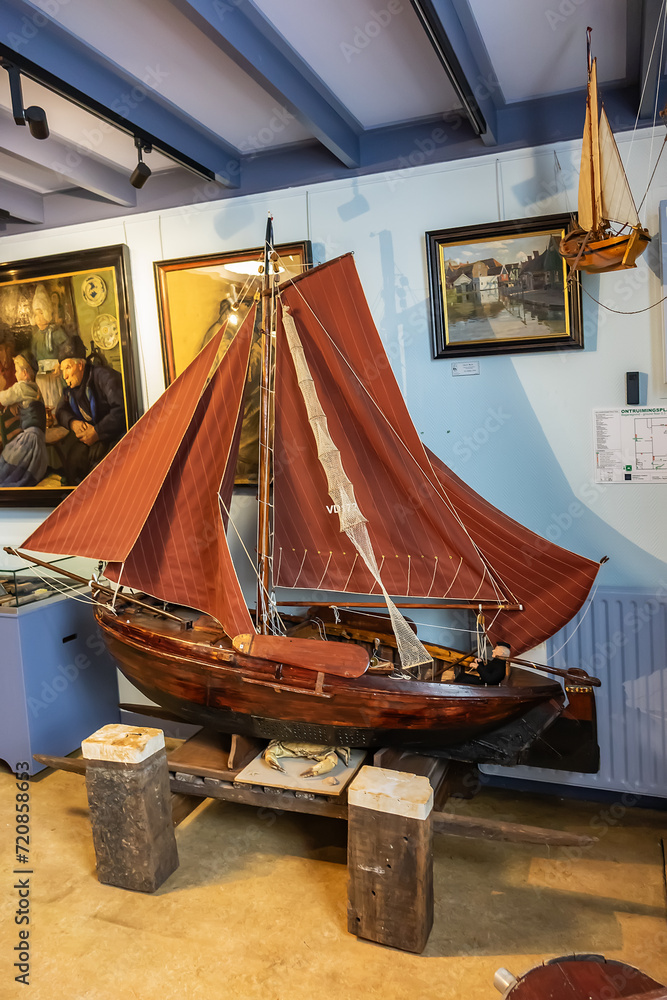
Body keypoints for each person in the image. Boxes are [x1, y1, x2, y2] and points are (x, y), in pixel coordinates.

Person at [55, 337, 126, 484]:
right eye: (63, 370)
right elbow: (60, 410)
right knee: (73, 461)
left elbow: (122, 409)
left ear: (80, 365)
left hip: (115, 436)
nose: (65, 375)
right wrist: (73, 422)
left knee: (99, 473)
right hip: (92, 437)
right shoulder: (71, 387)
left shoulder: (105, 377)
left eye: (68, 368)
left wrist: (97, 432)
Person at [0, 351, 48, 487]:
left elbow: (3, 398)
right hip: (38, 442)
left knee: (7, 469)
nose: (15, 374)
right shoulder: (36, 388)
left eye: (16, 371)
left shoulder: (21, 387)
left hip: (29, 440)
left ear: (25, 374)